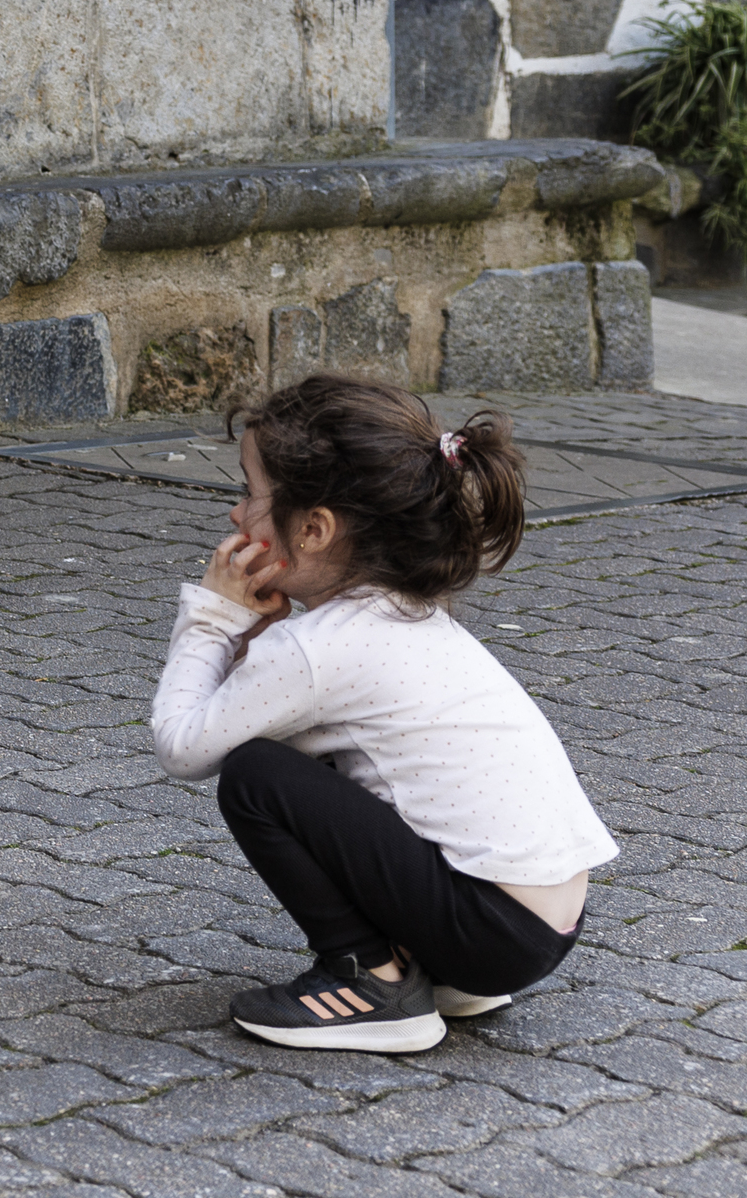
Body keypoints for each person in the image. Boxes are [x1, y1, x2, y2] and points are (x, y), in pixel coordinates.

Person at [151, 375, 614, 1053]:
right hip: (541, 925)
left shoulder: (319, 647)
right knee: (303, 764)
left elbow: (183, 744)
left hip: (488, 929)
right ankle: (434, 972)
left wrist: (214, 618)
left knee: (255, 775)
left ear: (314, 529)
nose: (236, 514)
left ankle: (372, 981)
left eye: (250, 493)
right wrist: (252, 638)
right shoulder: (404, 612)